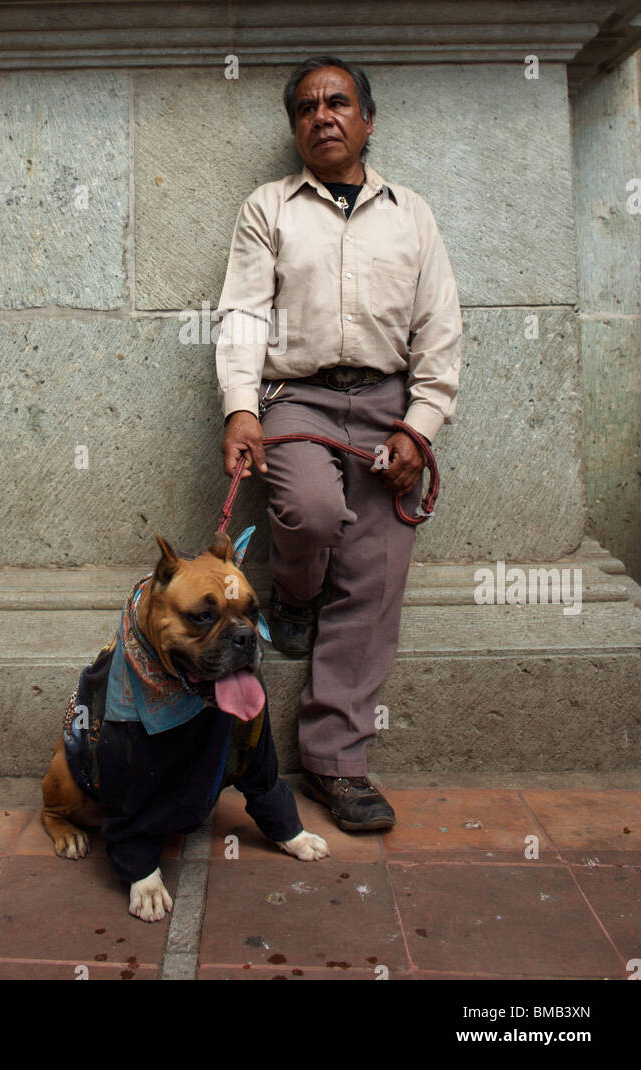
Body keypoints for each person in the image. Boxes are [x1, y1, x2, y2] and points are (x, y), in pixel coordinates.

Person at [214, 56, 462, 831]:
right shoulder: (269, 208)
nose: (322, 116)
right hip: (297, 398)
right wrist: (240, 408)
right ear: (296, 129)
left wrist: (421, 426)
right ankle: (294, 595)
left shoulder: (412, 214)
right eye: (307, 108)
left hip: (388, 405)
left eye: (338, 103)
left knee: (375, 579)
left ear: (367, 119)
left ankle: (336, 763)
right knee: (312, 511)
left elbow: (440, 329)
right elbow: (243, 314)